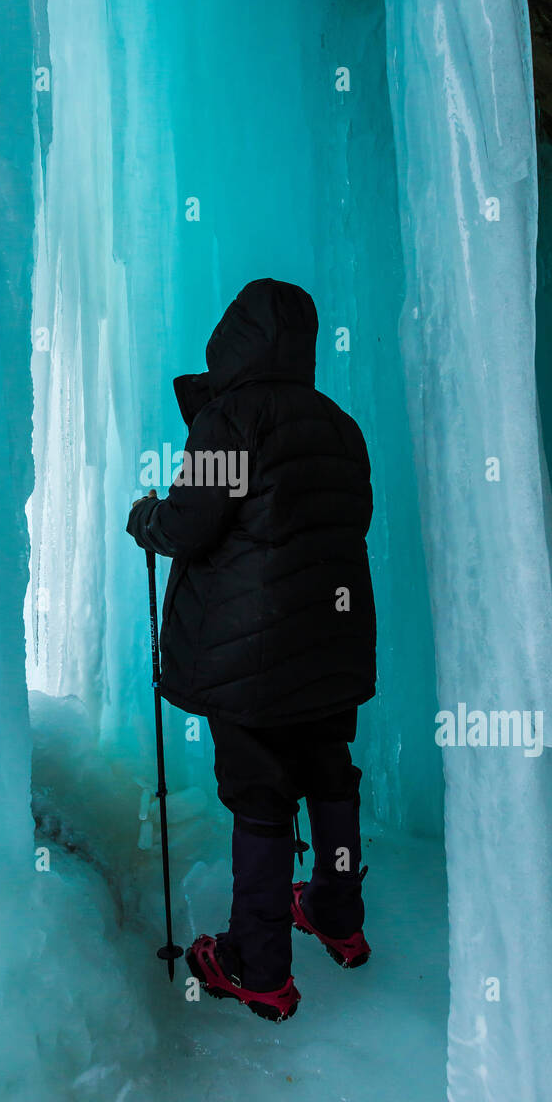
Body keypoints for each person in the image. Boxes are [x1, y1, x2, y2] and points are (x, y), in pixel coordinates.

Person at [126, 278, 376, 1022]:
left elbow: (192, 523)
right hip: (332, 642)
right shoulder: (339, 425)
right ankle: (336, 912)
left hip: (253, 652)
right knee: (330, 773)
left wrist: (149, 519)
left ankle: (256, 964)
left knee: (260, 790)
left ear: (233, 341)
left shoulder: (231, 417)